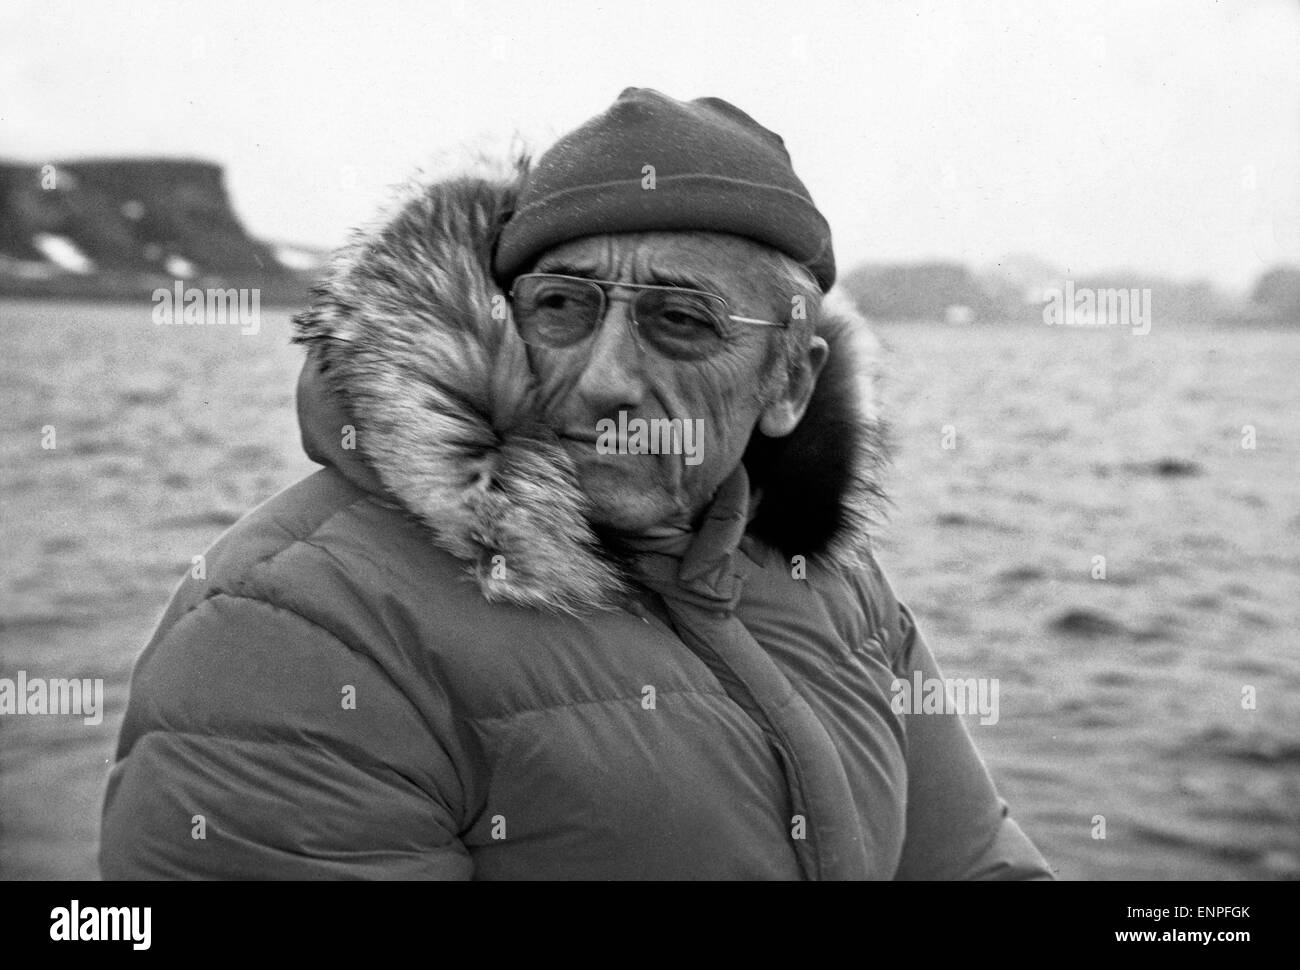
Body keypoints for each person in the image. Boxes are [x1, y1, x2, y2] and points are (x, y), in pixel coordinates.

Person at [100, 87, 1053, 880]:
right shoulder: (296, 625)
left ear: (791, 382)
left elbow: (971, 861)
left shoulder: (837, 587)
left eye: (682, 320)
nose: (603, 378)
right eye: (563, 307)